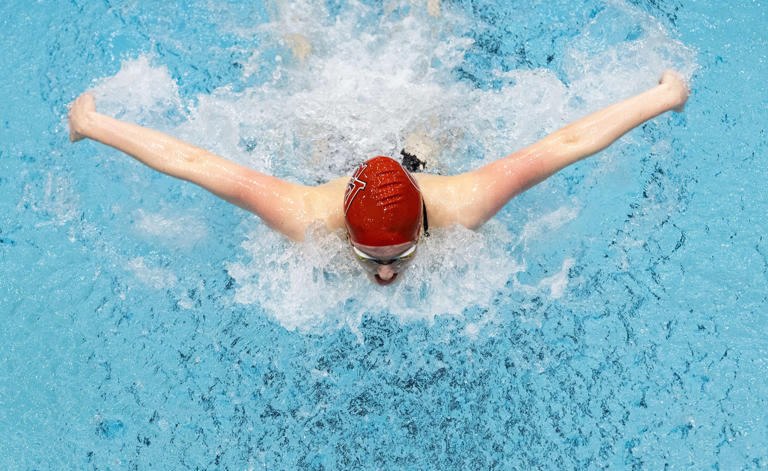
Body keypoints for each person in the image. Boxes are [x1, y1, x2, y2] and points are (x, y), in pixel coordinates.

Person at [68, 70, 689, 286]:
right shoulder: (305, 214)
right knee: (307, 79)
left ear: (423, 226)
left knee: (427, 121)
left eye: (400, 256)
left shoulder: (464, 202)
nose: (386, 276)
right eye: (369, 258)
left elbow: (566, 145)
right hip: (333, 165)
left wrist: (662, 97)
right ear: (343, 229)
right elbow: (197, 164)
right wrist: (93, 124)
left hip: (415, 165)